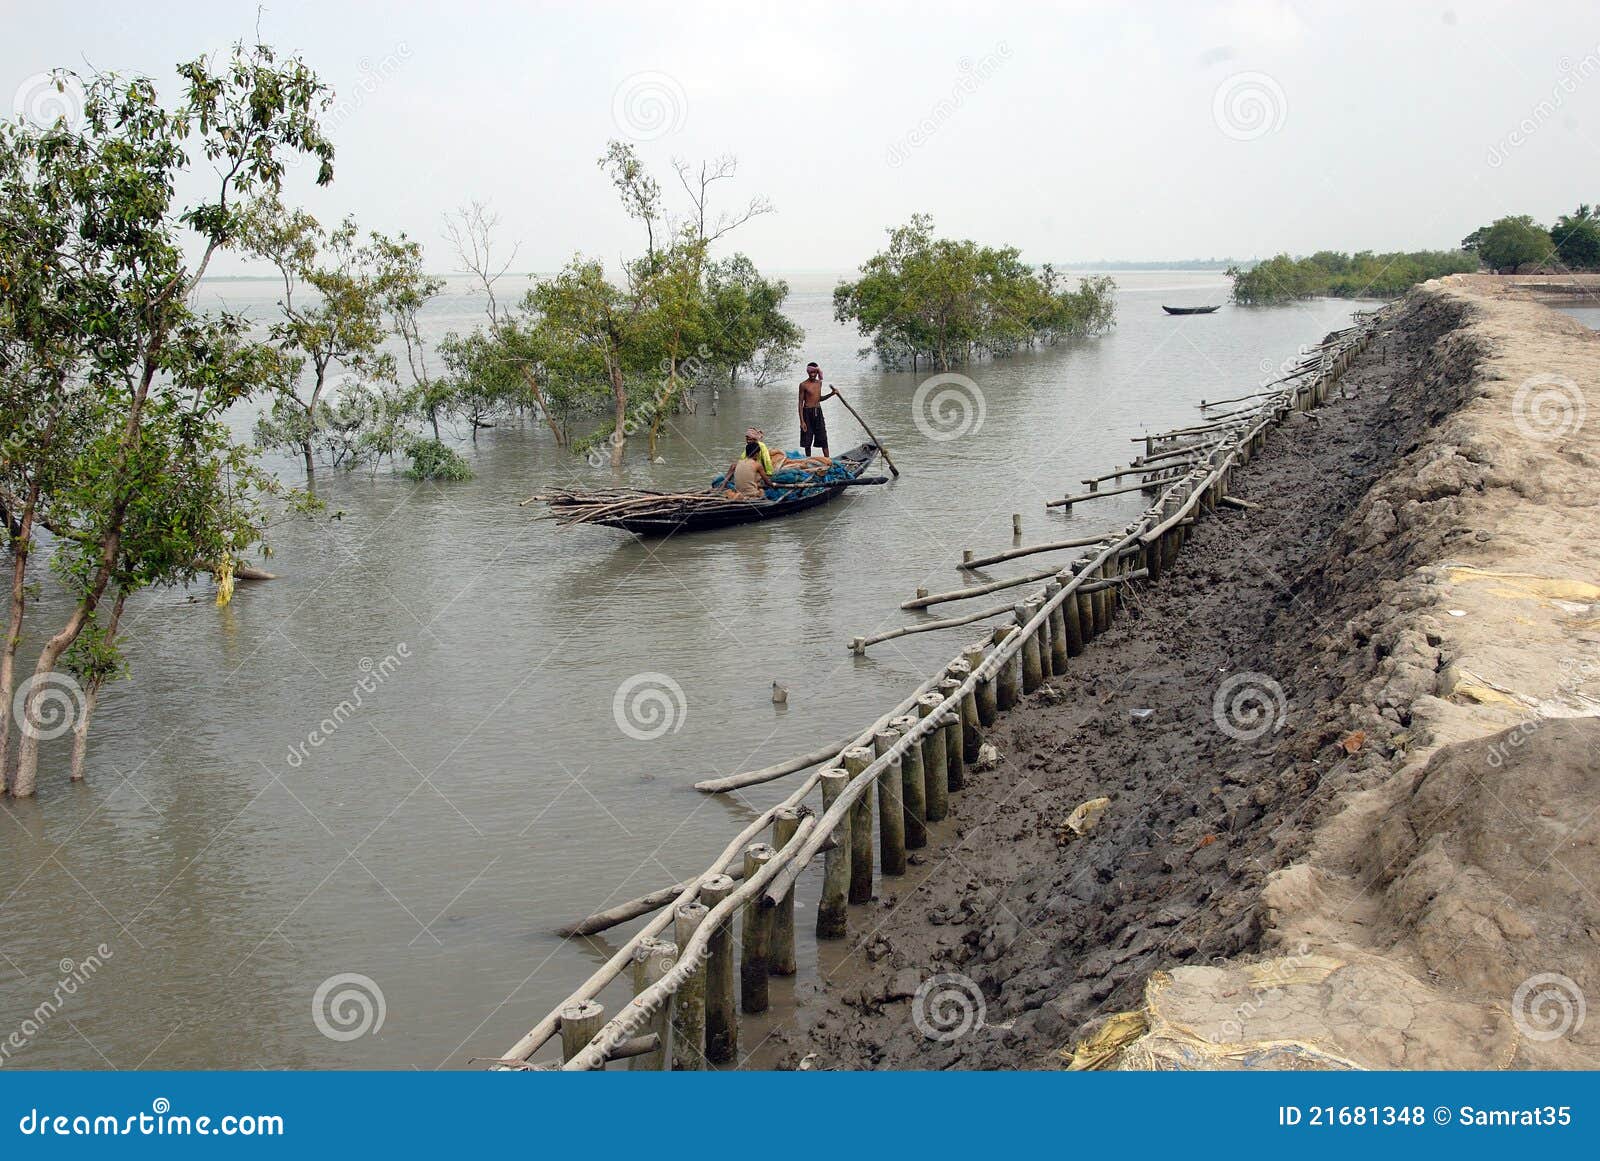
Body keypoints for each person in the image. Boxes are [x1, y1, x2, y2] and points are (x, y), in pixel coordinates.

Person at [798, 362, 837, 457]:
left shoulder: (819, 383)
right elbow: (800, 404)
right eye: (810, 373)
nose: (812, 375)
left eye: (814, 373)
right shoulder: (803, 385)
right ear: (808, 372)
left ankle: (828, 461)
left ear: (817, 372)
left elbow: (819, 399)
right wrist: (802, 421)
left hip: (818, 412)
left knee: (823, 438)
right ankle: (808, 460)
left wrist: (831, 394)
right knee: (807, 440)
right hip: (807, 413)